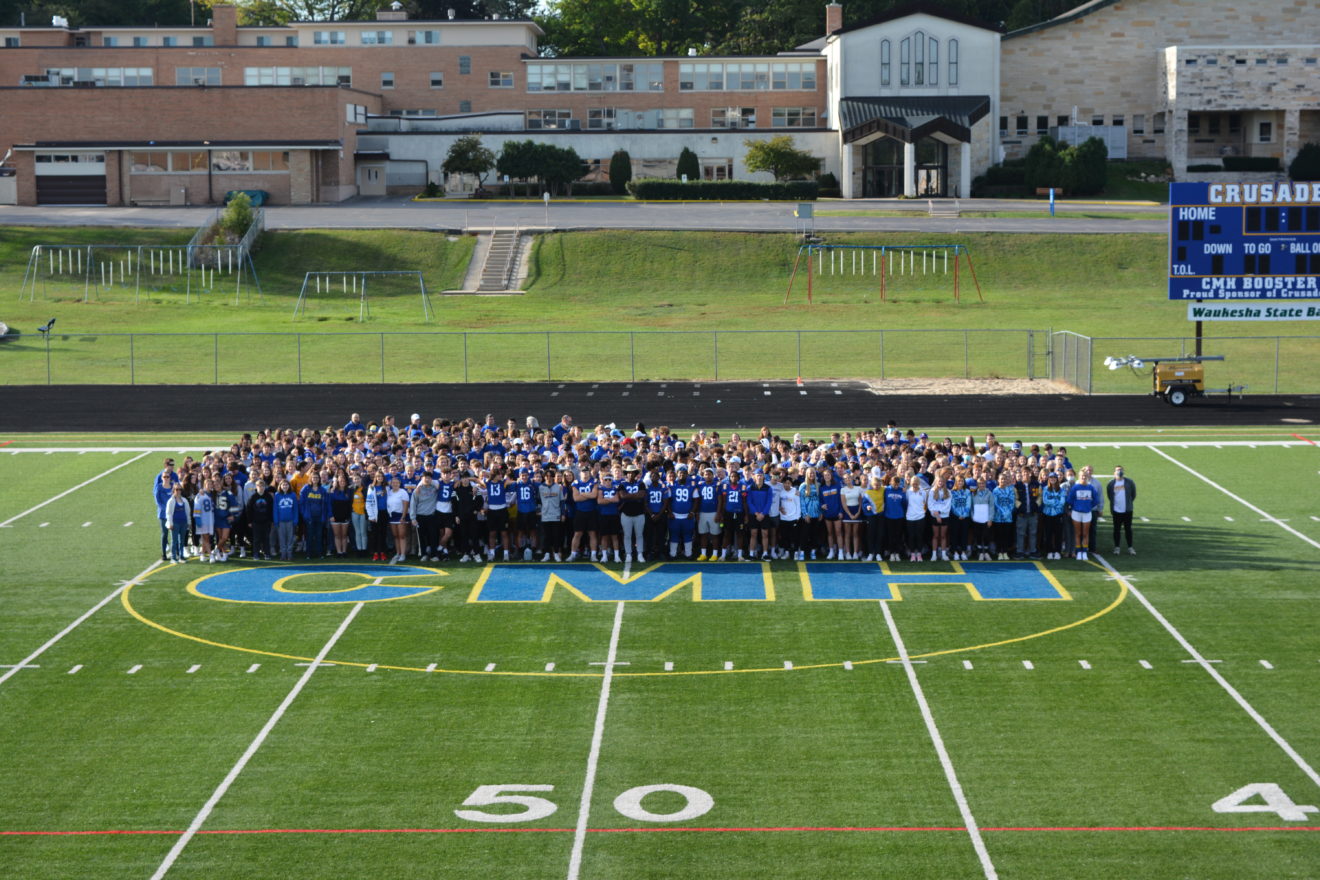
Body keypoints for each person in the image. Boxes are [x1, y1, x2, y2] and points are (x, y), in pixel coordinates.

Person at [1066, 472, 1102, 562]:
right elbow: (1069, 500)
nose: (1083, 477)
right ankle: (1078, 552)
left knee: (1085, 534)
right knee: (1078, 533)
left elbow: (1096, 500)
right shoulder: (1075, 487)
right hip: (1076, 513)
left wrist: (1089, 506)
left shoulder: (1091, 487)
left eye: (1085, 476)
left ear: (1087, 477)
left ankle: (1084, 552)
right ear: (1079, 476)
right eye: (1082, 476)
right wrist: (1076, 506)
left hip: (1087, 513)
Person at [1107, 466, 1137, 555]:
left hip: (1127, 510)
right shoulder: (1111, 483)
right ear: (1114, 472)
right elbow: (1110, 496)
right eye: (1117, 470)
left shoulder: (1129, 482)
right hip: (1116, 510)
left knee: (1128, 529)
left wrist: (1128, 503)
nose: (1119, 471)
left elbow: (1133, 494)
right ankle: (1117, 547)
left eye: (1120, 470)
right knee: (1116, 529)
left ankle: (1130, 547)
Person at [619, 465, 647, 563]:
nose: (631, 474)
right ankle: (628, 554)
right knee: (627, 535)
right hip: (626, 513)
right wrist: (635, 496)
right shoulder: (622, 484)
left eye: (633, 472)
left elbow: (642, 495)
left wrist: (629, 496)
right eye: (629, 472)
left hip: (639, 513)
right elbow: (623, 496)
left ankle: (640, 554)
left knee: (639, 535)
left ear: (636, 473)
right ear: (626, 474)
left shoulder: (641, 483)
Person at [1040, 472, 1067, 560]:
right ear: (1049, 479)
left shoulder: (1062, 490)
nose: (1052, 479)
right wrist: (1056, 501)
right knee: (1048, 534)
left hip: (1058, 515)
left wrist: (1053, 502)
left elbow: (1062, 502)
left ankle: (1057, 551)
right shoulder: (1045, 489)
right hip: (1047, 515)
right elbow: (1045, 501)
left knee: (1058, 534)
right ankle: (1049, 551)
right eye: (1051, 478)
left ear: (1057, 479)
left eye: (1054, 478)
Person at [245, 478, 274, 560]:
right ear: (256, 487)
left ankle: (267, 554)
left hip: (266, 521)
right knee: (256, 539)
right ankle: (256, 554)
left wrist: (271, 520)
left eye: (262, 486)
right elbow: (248, 510)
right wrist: (249, 521)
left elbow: (271, 509)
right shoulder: (253, 497)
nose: (261, 488)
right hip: (256, 522)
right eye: (259, 486)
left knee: (266, 538)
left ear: (264, 487)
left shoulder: (268, 497)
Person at [386, 475, 411, 563]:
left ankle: (403, 554)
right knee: (396, 536)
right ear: (391, 484)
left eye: (397, 483)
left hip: (401, 516)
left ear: (400, 484)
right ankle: (398, 553)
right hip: (392, 516)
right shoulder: (389, 492)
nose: (395, 484)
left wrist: (403, 517)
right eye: (393, 483)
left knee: (402, 536)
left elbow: (406, 505)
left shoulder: (403, 492)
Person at [272, 478, 299, 561]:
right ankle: (283, 554)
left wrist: (295, 520)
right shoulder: (277, 495)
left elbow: (295, 509)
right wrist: (276, 520)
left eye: (286, 485)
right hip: (280, 521)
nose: (285, 486)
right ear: (280, 486)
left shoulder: (293, 495)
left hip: (290, 521)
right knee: (282, 538)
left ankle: (289, 554)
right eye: (283, 485)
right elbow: (275, 509)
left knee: (290, 538)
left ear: (289, 486)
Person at [164, 483, 192, 563]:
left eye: (180, 489)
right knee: (174, 540)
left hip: (183, 523)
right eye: (177, 489)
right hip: (175, 523)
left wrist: (189, 522)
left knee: (182, 540)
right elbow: (168, 513)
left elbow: (187, 512)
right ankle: (173, 557)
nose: (178, 491)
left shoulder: (184, 500)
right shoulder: (171, 501)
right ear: (173, 490)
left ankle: (181, 556)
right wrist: (170, 523)